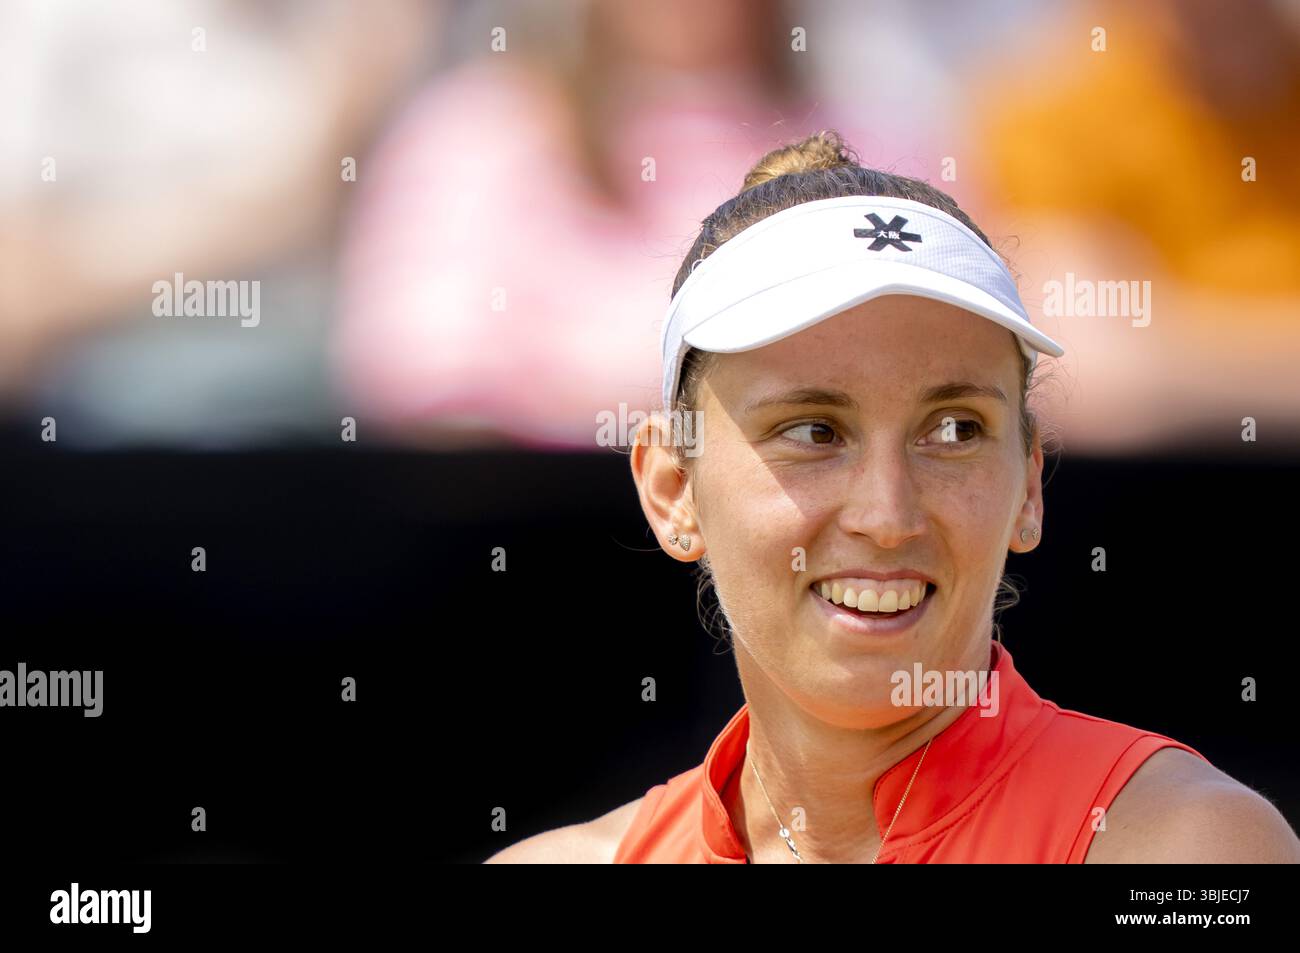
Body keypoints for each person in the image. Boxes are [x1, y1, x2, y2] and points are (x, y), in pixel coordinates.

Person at [485, 131, 1300, 863]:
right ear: (672, 489)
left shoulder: (1189, 854)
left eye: (953, 429)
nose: (886, 515)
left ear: (1029, 485)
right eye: (812, 431)